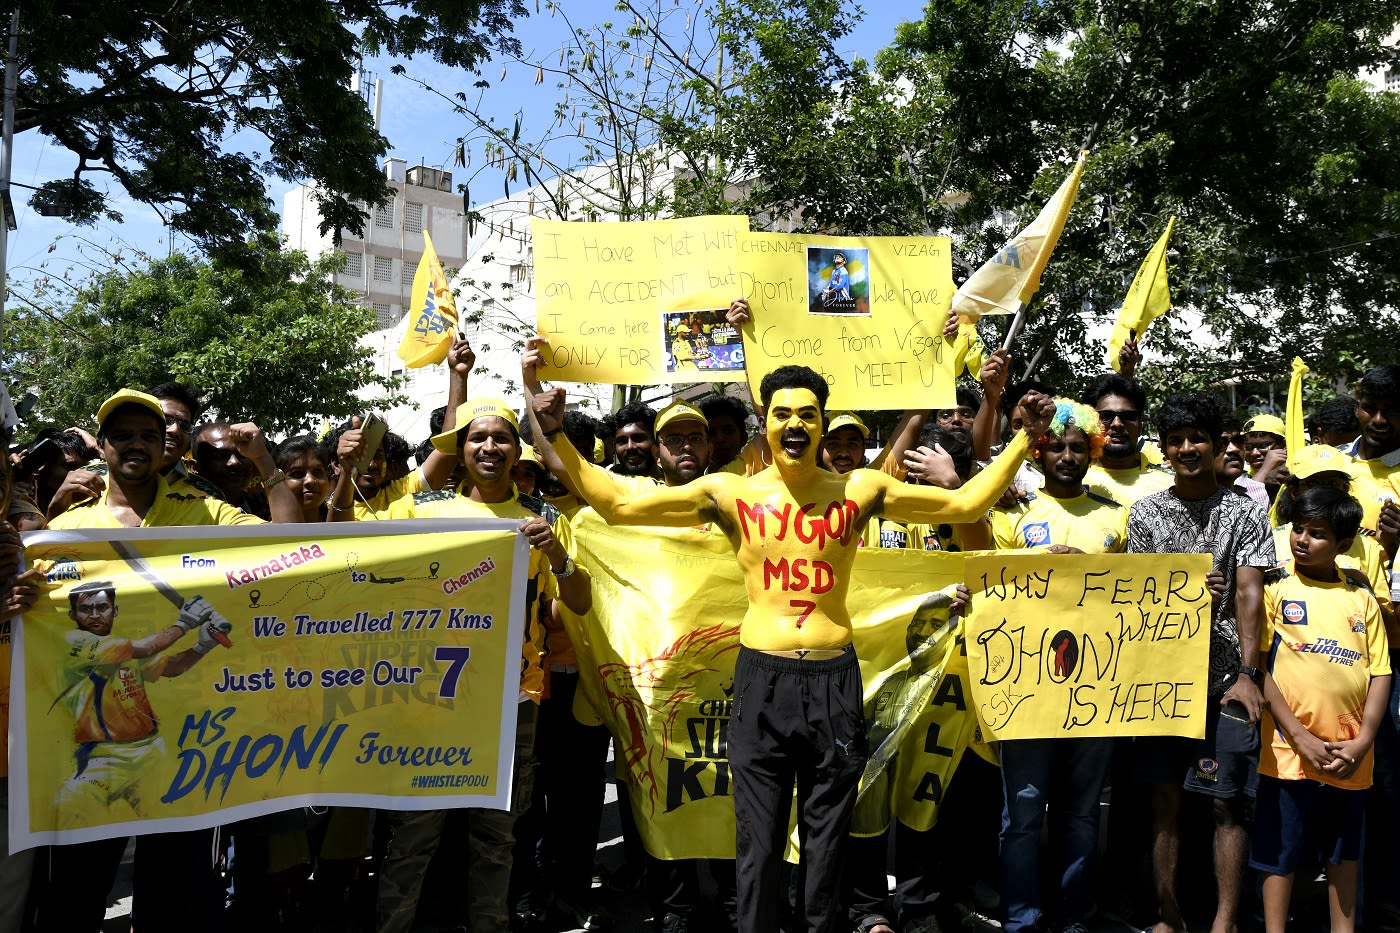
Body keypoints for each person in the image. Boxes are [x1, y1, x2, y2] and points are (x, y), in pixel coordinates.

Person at [525, 362, 1055, 933]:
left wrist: (1024, 437)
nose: (795, 423)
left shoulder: (863, 489)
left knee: (829, 836)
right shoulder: (728, 493)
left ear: (822, 424)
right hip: (762, 681)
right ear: (766, 422)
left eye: (807, 413)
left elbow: (962, 506)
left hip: (834, 682)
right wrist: (553, 433)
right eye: (783, 414)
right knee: (757, 834)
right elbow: (618, 507)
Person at [32, 388, 298, 932]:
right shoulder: (66, 530)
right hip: (90, 756)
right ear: (102, 446)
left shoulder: (202, 510)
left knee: (172, 896)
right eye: (123, 435)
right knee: (77, 892)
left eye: (148, 436)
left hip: (185, 746)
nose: (136, 445)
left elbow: (286, 542)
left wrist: (265, 461)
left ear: (164, 445)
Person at [376, 397, 591, 933]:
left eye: (501, 438)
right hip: (429, 700)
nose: (489, 447)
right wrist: (344, 476)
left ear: (517, 450)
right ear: (460, 448)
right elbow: (349, 550)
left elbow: (577, 607)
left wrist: (560, 561)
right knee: (413, 835)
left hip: (510, 703)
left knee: (496, 838)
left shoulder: (542, 520)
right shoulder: (423, 511)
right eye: (478, 437)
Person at [1127, 393, 1275, 933]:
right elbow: (1137, 596)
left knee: (1227, 805)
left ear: (1217, 445)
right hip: (1161, 684)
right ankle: (1168, 918)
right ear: (1164, 449)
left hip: (1226, 684)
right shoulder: (1145, 513)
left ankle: (1225, 923)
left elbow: (1251, 595)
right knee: (1165, 803)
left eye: (1198, 438)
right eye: (1177, 440)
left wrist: (1248, 674)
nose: (1188, 448)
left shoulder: (1245, 511)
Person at [988, 400, 1125, 933]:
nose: (1067, 456)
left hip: (1097, 687)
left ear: (1092, 451)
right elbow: (991, 586)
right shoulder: (1012, 514)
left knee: (1082, 814)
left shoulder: (1117, 516)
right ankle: (1020, 918)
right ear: (1039, 452)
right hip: (1025, 688)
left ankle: (1072, 917)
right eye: (1057, 447)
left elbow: (1139, 593)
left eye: (1078, 448)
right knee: (1021, 816)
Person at [1253, 485, 1390, 933]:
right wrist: (1303, 738)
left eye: (1317, 533)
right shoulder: (1275, 590)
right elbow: (1262, 672)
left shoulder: (1362, 599)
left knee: (1344, 853)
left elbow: (1381, 673)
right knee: (1280, 851)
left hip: (1351, 754)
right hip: (1288, 752)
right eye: (1298, 529)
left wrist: (1364, 740)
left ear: (1344, 545)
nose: (1301, 540)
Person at [53, 580, 232, 826]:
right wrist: (187, 620)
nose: (95, 615)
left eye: (102, 607)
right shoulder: (76, 642)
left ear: (115, 610)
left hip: (150, 752)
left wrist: (204, 645)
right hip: (101, 757)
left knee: (168, 831)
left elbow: (172, 668)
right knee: (72, 824)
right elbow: (148, 648)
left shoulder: (124, 649)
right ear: (73, 614)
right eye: (86, 609)